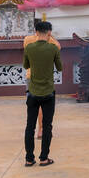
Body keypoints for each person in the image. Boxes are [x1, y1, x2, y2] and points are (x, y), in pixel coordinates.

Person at [23, 20, 62, 167]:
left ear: (35, 30)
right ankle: (44, 158)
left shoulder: (28, 43)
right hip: (47, 89)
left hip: (32, 86)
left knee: (29, 125)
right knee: (47, 125)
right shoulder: (52, 46)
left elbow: (26, 64)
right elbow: (59, 65)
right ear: (49, 32)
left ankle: (29, 158)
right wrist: (50, 38)